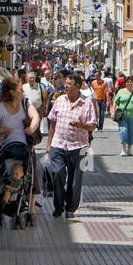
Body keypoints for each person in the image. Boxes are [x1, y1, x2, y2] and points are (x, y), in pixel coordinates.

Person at [45, 71, 96, 218]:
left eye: (69, 84)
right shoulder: (60, 100)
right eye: (65, 83)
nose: (66, 86)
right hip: (58, 144)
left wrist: (82, 125)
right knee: (57, 173)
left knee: (75, 180)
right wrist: (49, 145)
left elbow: (92, 125)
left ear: (78, 86)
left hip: (79, 146)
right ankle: (58, 206)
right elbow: (52, 124)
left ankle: (70, 208)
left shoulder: (86, 103)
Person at [0, 76, 41, 219]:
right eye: (20, 89)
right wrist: (3, 131)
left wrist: (31, 127)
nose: (23, 91)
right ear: (12, 92)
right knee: (3, 175)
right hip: (6, 148)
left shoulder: (25, 103)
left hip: (25, 147)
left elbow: (35, 116)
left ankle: (30, 207)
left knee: (30, 176)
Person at [113, 76, 133, 156]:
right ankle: (123, 149)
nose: (129, 83)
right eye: (127, 82)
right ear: (125, 83)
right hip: (122, 116)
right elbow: (115, 102)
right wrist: (113, 112)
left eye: (131, 82)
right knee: (123, 131)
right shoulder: (121, 91)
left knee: (132, 133)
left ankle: (129, 149)